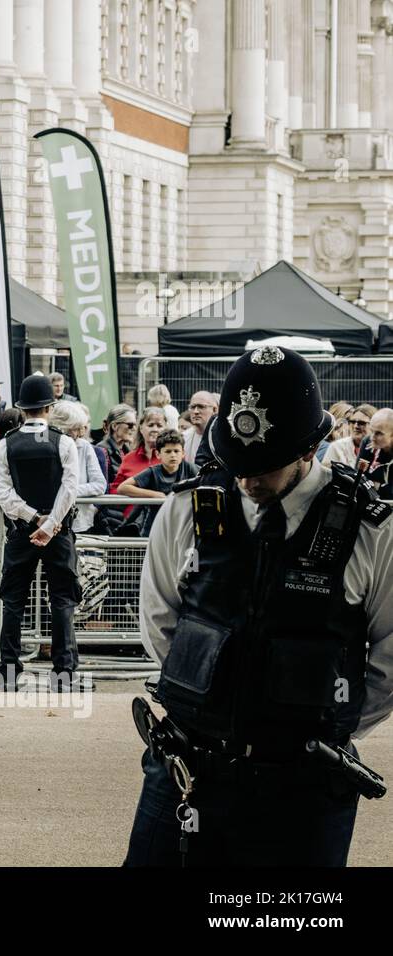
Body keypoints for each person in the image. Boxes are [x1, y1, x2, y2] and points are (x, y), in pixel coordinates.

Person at [123, 345, 393, 867]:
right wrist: (210, 706)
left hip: (304, 786)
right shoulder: (185, 510)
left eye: (265, 466)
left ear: (309, 448)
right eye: (237, 463)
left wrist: (323, 726)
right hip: (190, 770)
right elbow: (161, 624)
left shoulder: (371, 530)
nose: (247, 481)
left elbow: (389, 657)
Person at [0, 373, 80, 689]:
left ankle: (8, 673)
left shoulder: (6, 444)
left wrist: (34, 518)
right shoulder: (63, 441)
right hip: (58, 530)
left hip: (21, 530)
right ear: (50, 407)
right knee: (62, 600)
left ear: (21, 408)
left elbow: (4, 494)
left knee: (13, 601)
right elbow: (70, 489)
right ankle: (64, 674)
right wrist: (51, 523)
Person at [115, 428, 197, 536]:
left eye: (176, 451)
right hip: (154, 527)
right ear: (158, 454)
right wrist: (154, 494)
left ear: (183, 453)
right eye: (168, 451)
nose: (173, 455)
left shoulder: (190, 469)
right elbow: (122, 487)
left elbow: (207, 483)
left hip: (182, 525)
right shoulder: (152, 472)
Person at [50, 402, 108, 534]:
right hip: (49, 521)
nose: (80, 433)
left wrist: (69, 491)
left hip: (79, 523)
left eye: (81, 428)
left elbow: (100, 485)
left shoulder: (84, 446)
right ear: (62, 427)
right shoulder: (46, 446)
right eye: (75, 428)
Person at [324, 404, 376, 469]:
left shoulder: (381, 449)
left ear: (374, 425)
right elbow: (326, 473)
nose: (356, 426)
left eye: (361, 423)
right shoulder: (337, 447)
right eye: (353, 422)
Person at [97, 404, 137, 486]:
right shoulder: (101, 451)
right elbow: (102, 485)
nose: (134, 429)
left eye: (135, 425)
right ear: (115, 426)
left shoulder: (127, 451)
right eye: (130, 425)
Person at [357, 408, 393, 499]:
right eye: (372, 431)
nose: (372, 437)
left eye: (378, 433)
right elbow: (358, 478)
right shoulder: (368, 442)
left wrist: (374, 485)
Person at [183, 391, 217, 464]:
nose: (196, 411)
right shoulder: (184, 437)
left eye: (201, 407)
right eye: (192, 407)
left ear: (214, 410)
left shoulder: (222, 437)